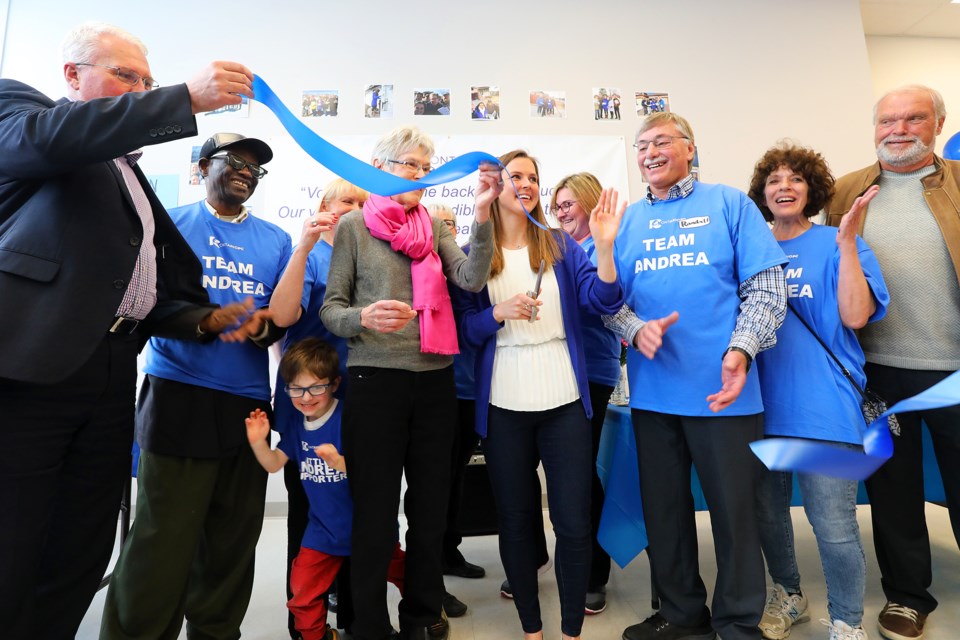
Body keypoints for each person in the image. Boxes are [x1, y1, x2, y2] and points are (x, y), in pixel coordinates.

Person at [0, 21, 265, 640]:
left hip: (114, 368)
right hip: (31, 371)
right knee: (13, 545)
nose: (141, 89)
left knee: (82, 548)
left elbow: (139, 291)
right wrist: (179, 97)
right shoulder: (21, 109)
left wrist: (202, 317)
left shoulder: (130, 177)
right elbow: (49, 140)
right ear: (72, 76)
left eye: (147, 81)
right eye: (127, 76)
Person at [100, 133, 293, 640]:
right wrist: (206, 320)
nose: (246, 172)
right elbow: (143, 303)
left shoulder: (276, 240)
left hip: (250, 407)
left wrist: (260, 327)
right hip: (179, 396)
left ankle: (216, 633)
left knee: (232, 544)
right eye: (236, 162)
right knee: (162, 544)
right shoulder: (169, 224)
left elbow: (280, 317)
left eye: (256, 168)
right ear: (202, 166)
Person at [607, 112, 787, 640]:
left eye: (662, 142)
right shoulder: (627, 223)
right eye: (641, 146)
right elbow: (607, 301)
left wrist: (742, 348)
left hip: (724, 393)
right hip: (653, 396)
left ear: (690, 148)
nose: (650, 153)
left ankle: (736, 622)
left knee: (735, 517)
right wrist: (634, 328)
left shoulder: (730, 204)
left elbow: (768, 287)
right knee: (664, 515)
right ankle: (681, 613)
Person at [320, 125, 501, 640]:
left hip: (434, 383)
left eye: (427, 166)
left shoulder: (434, 228)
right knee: (374, 512)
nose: (422, 174)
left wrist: (483, 213)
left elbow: (472, 278)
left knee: (428, 509)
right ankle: (367, 624)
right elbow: (332, 310)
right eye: (410, 164)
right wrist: (364, 319)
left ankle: (423, 615)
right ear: (380, 168)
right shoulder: (354, 226)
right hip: (374, 381)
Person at [452, 150, 624, 640]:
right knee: (517, 519)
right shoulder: (476, 254)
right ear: (495, 184)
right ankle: (531, 628)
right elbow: (466, 330)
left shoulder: (560, 246)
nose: (525, 184)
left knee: (572, 520)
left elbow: (603, 301)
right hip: (505, 404)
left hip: (566, 401)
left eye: (533, 177)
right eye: (516, 176)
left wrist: (606, 250)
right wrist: (497, 312)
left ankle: (570, 630)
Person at [824, 84, 960, 640]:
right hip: (878, 370)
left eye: (913, 118)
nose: (898, 129)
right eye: (887, 120)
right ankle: (907, 597)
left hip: (954, 367)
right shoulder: (845, 191)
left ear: (938, 124)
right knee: (893, 491)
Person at [747, 142, 890, 640]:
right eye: (773, 181)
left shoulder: (838, 240)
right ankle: (789, 595)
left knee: (833, 526)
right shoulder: (750, 247)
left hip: (825, 406)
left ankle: (848, 621)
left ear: (811, 190)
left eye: (795, 179)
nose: (783, 187)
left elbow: (855, 315)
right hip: (760, 407)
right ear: (761, 194)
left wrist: (848, 243)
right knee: (767, 516)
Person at [245, 337, 406, 640]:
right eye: (297, 389)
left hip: (368, 530)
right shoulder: (296, 426)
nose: (306, 397)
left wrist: (340, 462)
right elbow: (273, 463)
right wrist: (257, 442)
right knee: (302, 595)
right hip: (323, 534)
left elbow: (375, 473)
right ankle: (316, 636)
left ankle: (419, 618)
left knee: (405, 575)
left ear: (334, 384)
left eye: (316, 387)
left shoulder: (350, 417)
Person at [270, 178, 368, 638]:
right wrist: (304, 247)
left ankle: (354, 616)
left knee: (359, 506)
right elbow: (283, 318)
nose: (356, 209)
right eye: (347, 200)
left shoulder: (368, 254)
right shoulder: (309, 255)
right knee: (307, 510)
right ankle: (304, 624)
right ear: (325, 206)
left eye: (364, 203)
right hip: (307, 402)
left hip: (357, 401)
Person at [551, 171, 622, 615]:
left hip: (591, 372)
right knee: (564, 474)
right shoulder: (555, 248)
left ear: (591, 204)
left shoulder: (603, 248)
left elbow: (601, 303)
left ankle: (594, 573)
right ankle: (553, 560)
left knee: (581, 475)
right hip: (557, 372)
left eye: (568, 203)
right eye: (556, 205)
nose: (561, 212)